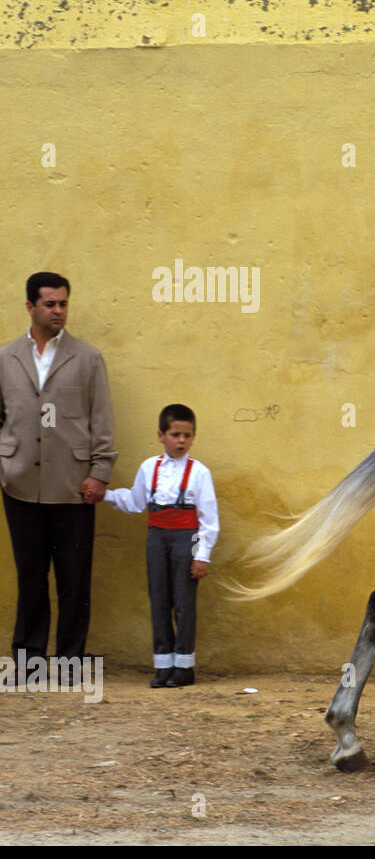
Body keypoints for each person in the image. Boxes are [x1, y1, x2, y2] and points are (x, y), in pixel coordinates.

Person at [0, 272, 116, 672]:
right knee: (30, 577)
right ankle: (30, 660)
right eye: (50, 304)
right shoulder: (6, 358)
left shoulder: (87, 359)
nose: (58, 311)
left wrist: (100, 472)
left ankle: (70, 661)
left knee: (74, 580)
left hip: (73, 487)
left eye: (63, 303)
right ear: (30, 307)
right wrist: (4, 465)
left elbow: (101, 420)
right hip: (21, 485)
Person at [104, 404, 219, 687]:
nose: (181, 441)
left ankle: (184, 667)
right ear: (161, 435)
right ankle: (163, 665)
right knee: (159, 601)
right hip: (156, 537)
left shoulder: (199, 472)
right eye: (175, 434)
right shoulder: (149, 467)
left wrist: (202, 555)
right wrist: (103, 496)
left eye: (187, 435)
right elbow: (135, 502)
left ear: (193, 437)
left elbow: (209, 520)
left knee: (183, 603)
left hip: (187, 537)